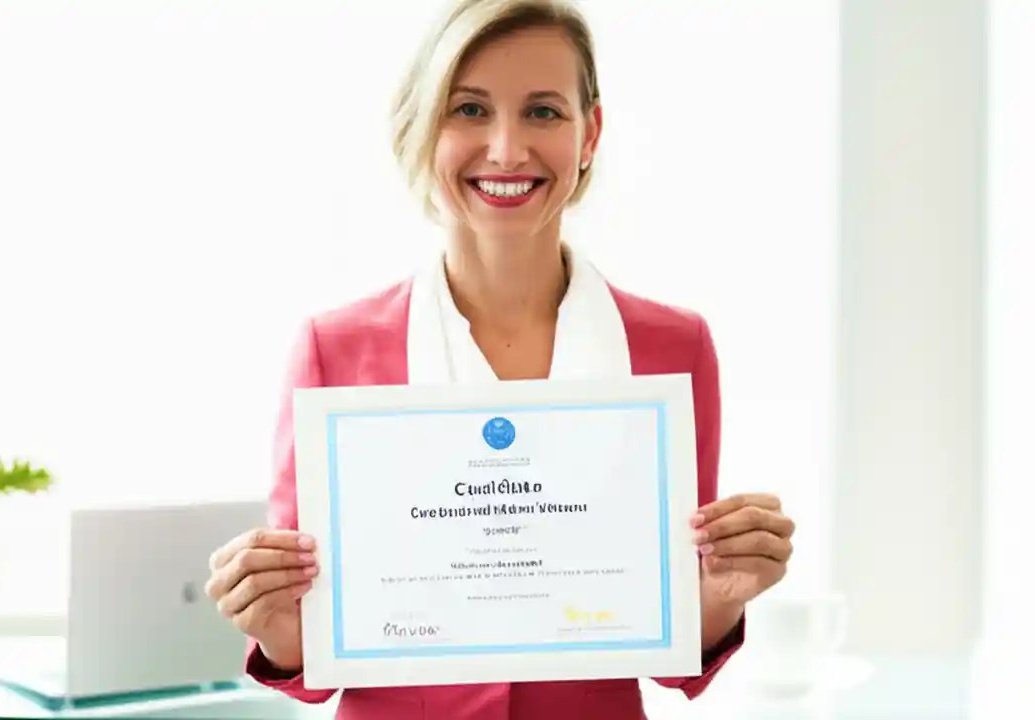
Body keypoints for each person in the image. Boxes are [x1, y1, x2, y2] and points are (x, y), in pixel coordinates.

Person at [204, 0, 796, 717]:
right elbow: (314, 653)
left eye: (543, 112)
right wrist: (276, 624)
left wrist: (719, 602)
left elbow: (671, 648)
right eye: (470, 110)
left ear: (591, 133)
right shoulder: (334, 349)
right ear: (424, 129)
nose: (508, 150)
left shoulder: (674, 348)